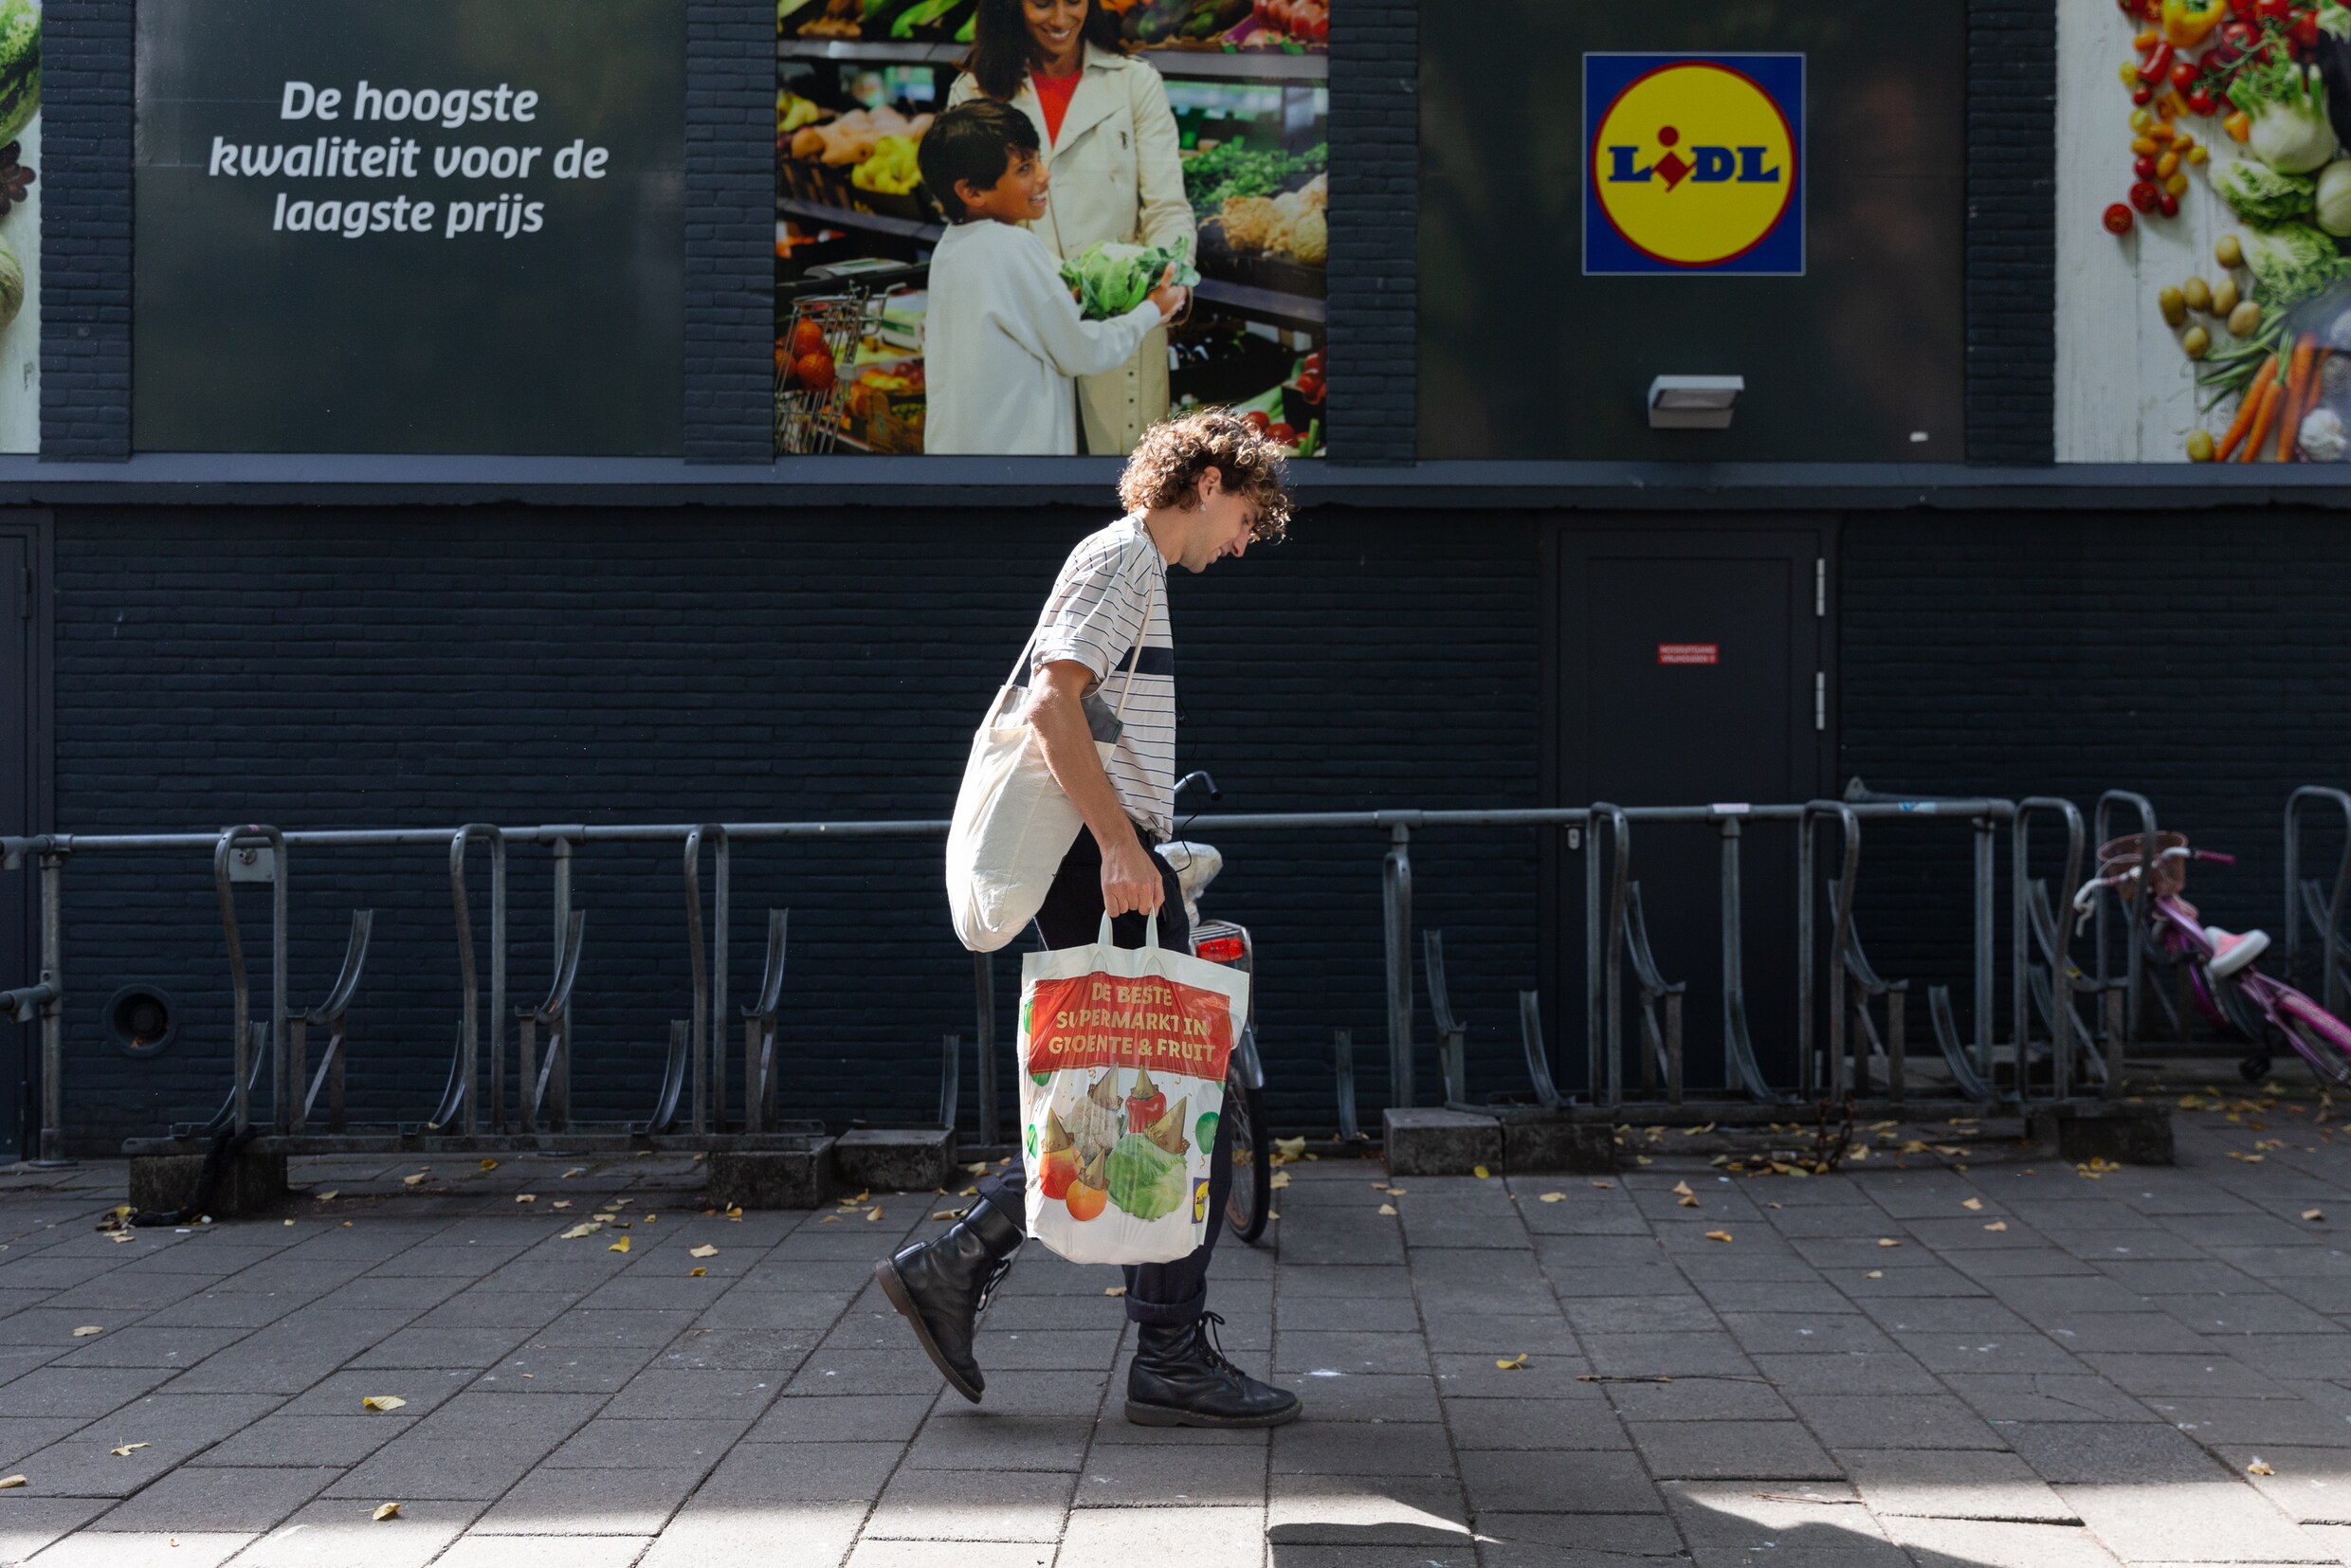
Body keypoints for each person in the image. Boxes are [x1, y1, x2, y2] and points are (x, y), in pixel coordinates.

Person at [878, 410, 1300, 1429]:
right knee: (1167, 1080)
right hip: (1093, 852)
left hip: (1100, 847)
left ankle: (970, 1263)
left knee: (1129, 1087)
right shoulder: (1121, 560)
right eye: (1247, 516)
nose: (1244, 541)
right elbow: (1051, 705)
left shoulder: (1132, 569)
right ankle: (1163, 1352)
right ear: (1205, 482)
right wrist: (1119, 843)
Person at [948, 0, 1194, 456]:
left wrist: (1169, 277)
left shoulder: (1135, 83)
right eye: (1042, 3)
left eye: (1074, 1)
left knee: (1125, 499)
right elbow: (977, 224)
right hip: (1025, 333)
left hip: (1124, 330)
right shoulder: (974, 93)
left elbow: (1167, 207)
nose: (1061, 19)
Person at [918, 100, 1189, 455]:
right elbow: (1083, 352)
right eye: (1025, 168)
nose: (1044, 175)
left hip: (962, 458)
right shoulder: (1013, 246)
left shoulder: (952, 248)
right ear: (972, 192)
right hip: (1016, 468)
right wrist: (1151, 311)